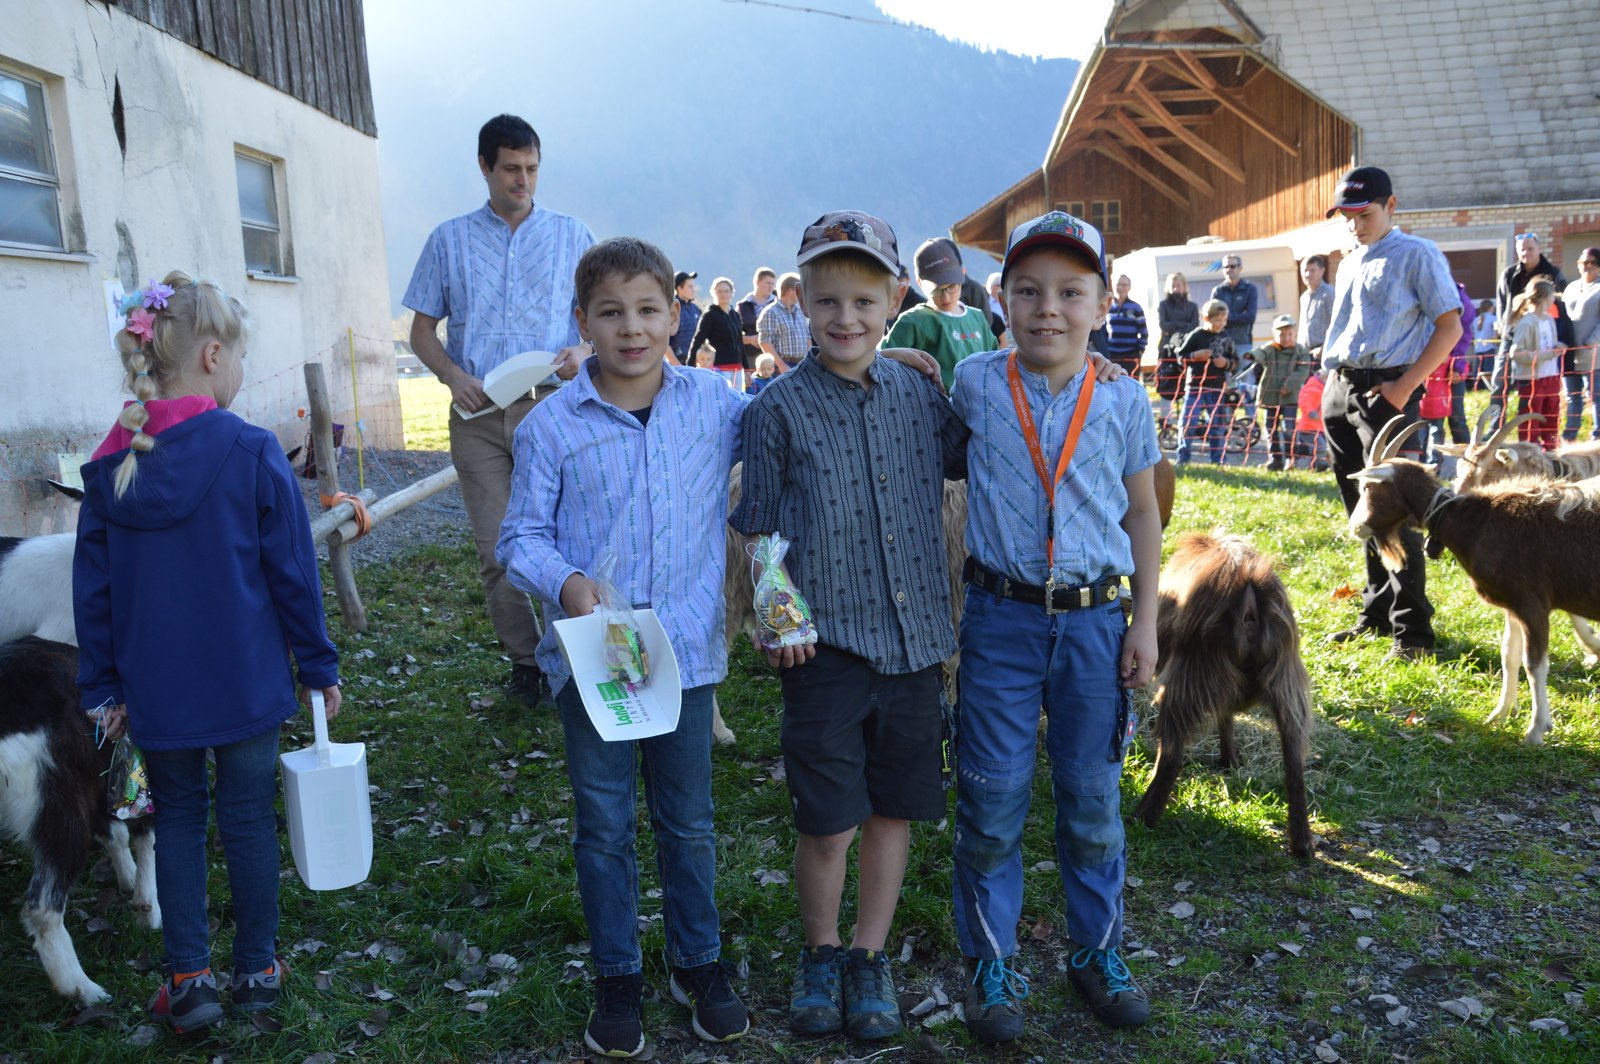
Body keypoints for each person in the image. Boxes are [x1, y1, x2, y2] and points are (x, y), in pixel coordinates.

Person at [496, 237, 752, 1058]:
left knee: (688, 819)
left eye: (648, 311)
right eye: (611, 313)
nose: (632, 329)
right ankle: (617, 972)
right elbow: (521, 534)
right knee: (604, 821)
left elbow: (794, 422)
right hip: (595, 656)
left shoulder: (715, 405)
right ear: (583, 322)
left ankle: (698, 962)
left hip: (683, 653)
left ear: (675, 315)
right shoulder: (552, 427)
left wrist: (903, 366)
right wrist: (567, 582)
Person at [74, 272, 342, 1033]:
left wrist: (103, 687)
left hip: (157, 695)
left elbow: (91, 593)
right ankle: (257, 969)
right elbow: (293, 573)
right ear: (214, 356)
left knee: (182, 819)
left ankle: (189, 982)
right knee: (250, 820)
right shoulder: (251, 449)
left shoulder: (108, 464)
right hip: (249, 684)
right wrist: (319, 666)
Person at [730, 211, 968, 1042]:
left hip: (914, 647)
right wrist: (777, 609)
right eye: (827, 301)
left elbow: (980, 452)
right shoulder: (778, 411)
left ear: (895, 298)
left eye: (864, 301)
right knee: (827, 818)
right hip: (824, 647)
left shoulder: (920, 395)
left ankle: (870, 956)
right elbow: (757, 526)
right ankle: (822, 949)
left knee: (894, 810)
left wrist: (1096, 378)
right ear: (799, 302)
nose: (845, 320)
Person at [950, 210, 1161, 1042]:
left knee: (1090, 799)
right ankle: (990, 963)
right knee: (993, 798)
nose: (1049, 308)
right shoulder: (974, 383)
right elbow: (910, 381)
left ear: (1102, 302)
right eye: (1029, 290)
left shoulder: (1123, 398)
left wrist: (1145, 620)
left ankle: (1095, 951)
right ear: (999, 299)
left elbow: (1143, 511)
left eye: (1071, 292)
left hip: (1095, 624)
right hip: (999, 619)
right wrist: (896, 352)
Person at [403, 114, 593, 707]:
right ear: (485, 166)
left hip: (555, 410)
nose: (523, 180)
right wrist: (452, 376)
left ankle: (579, 659)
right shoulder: (448, 239)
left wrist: (581, 353)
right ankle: (526, 668)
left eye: (532, 168)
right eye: (511, 168)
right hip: (479, 414)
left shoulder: (573, 235)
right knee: (497, 549)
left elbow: (600, 317)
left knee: (568, 540)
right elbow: (422, 330)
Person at [1319, 165, 1462, 660]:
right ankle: (1377, 613)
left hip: (1387, 392)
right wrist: (1330, 390)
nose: (1355, 223)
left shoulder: (1417, 254)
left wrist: (1403, 388)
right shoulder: (1351, 259)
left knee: (1395, 511)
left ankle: (1413, 632)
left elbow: (1450, 327)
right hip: (1340, 390)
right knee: (1363, 511)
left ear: (1391, 206)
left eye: (1365, 213)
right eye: (1347, 216)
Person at [883, 237, 998, 388]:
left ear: (963, 274)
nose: (946, 296)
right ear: (919, 283)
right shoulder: (913, 321)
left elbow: (994, 358)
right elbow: (883, 361)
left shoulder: (977, 317)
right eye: (936, 290)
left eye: (951, 287)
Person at [1490, 233, 1571, 424]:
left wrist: (1561, 339)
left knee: (1541, 390)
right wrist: (1504, 328)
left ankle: (1544, 434)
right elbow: (1502, 304)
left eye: (1530, 248)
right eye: (1521, 249)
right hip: (1513, 334)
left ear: (1539, 249)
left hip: (1544, 334)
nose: (1526, 253)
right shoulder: (1510, 274)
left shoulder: (1553, 273)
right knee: (1499, 382)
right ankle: (1495, 427)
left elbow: (1562, 306)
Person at [1246, 314, 1318, 471]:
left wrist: (1290, 385)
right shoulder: (1270, 348)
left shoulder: (1300, 351)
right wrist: (1252, 355)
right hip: (1270, 396)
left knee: (1289, 429)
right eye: (1281, 334)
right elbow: (1261, 353)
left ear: (1295, 333)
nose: (1286, 338)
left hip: (1290, 397)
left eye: (1289, 334)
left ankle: (1291, 459)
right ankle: (1275, 459)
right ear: (1275, 334)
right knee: (1270, 429)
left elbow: (1303, 370)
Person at [1173, 300, 1238, 465]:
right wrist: (1195, 355)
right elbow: (1180, 357)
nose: (1220, 324)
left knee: (1217, 423)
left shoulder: (1227, 337)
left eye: (1223, 320)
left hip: (1216, 387)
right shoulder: (1196, 335)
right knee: (1189, 421)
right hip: (1195, 386)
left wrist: (1226, 363)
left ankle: (1217, 459)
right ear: (1206, 318)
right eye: (1217, 320)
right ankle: (1183, 457)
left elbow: (1235, 362)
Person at [1419, 286, 1475, 475]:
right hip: (1425, 368)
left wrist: (1457, 364)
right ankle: (1425, 463)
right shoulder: (1420, 293)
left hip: (1451, 368)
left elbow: (1463, 333)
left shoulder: (1459, 299)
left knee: (1457, 417)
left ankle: (1471, 461)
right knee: (1426, 418)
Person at [1506, 278, 1563, 450]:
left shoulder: (1549, 319)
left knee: (1551, 417)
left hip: (1551, 376)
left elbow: (1549, 345)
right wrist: (1547, 355)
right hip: (1532, 379)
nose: (1554, 299)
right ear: (1546, 297)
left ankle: (1551, 451)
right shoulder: (1526, 322)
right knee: (1531, 419)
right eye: (1552, 295)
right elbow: (1516, 353)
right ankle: (1529, 453)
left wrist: (1557, 347)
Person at [1563, 247, 1600, 438]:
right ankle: (1570, 436)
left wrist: (1592, 341)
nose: (1585, 266)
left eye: (1590, 262)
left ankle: (1597, 437)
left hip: (1593, 354)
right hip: (1570, 353)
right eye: (1582, 262)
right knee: (1572, 396)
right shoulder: (1571, 288)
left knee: (1596, 396)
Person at [1155, 272, 1199, 425]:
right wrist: (1183, 326)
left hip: (1187, 349)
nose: (1175, 289)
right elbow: (1163, 325)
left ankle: (1188, 420)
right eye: (1173, 286)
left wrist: (1175, 328)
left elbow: (1194, 327)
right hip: (1166, 351)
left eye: (1178, 285)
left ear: (1184, 286)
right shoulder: (1163, 305)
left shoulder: (1192, 307)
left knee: (1188, 382)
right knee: (1166, 383)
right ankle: (1166, 420)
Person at [690, 276, 748, 389]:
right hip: (719, 368)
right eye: (719, 291)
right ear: (714, 293)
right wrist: (690, 365)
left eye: (726, 291)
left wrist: (746, 369)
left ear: (732, 293)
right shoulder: (710, 315)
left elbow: (740, 343)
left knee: (738, 402)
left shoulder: (735, 315)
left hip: (737, 369)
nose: (723, 294)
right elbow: (698, 339)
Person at [756, 272, 808, 371]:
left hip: (802, 365)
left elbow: (808, 338)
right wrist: (781, 366)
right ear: (791, 291)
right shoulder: (770, 312)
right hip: (781, 368)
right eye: (800, 291)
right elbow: (765, 342)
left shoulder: (800, 312)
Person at [1209, 253, 1259, 349]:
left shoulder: (1250, 289)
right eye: (1225, 267)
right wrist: (1240, 316)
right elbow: (1213, 317)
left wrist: (1224, 318)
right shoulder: (1218, 291)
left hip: (1243, 342)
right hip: (1221, 343)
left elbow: (1251, 317)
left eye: (1232, 266)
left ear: (1240, 268)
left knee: (1245, 364)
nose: (1228, 270)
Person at [1104, 274, 1149, 375]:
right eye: (1118, 284)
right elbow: (1103, 330)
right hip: (1111, 356)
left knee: (1130, 386)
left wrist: (1139, 352)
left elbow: (1144, 333)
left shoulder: (1136, 308)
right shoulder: (1108, 307)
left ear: (1129, 287)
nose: (1121, 287)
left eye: (1124, 285)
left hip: (1130, 356)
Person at [737, 267, 778, 364]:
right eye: (768, 283)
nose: (771, 286)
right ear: (757, 282)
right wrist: (750, 340)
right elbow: (734, 335)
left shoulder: (778, 303)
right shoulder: (742, 306)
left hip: (774, 357)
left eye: (773, 284)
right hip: (749, 357)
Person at [1298, 254, 1336, 355]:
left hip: (1323, 352)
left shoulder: (1329, 294)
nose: (1307, 274)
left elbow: (1337, 324)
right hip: (1305, 353)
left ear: (1322, 271)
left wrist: (1323, 349)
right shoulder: (1304, 297)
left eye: (1312, 270)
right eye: (1305, 270)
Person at [670, 270, 701, 364]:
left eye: (693, 286)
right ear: (679, 288)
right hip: (677, 365)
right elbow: (665, 344)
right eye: (690, 287)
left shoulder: (696, 309)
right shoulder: (671, 309)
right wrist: (678, 366)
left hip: (695, 364)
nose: (694, 289)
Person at [1471, 298, 1499, 382]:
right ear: (1491, 308)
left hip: (1478, 348)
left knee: (1478, 369)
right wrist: (1495, 337)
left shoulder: (1475, 320)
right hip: (1489, 347)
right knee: (1488, 369)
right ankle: (1488, 386)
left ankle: (1476, 386)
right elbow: (1496, 330)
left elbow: (1472, 332)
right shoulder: (1493, 318)